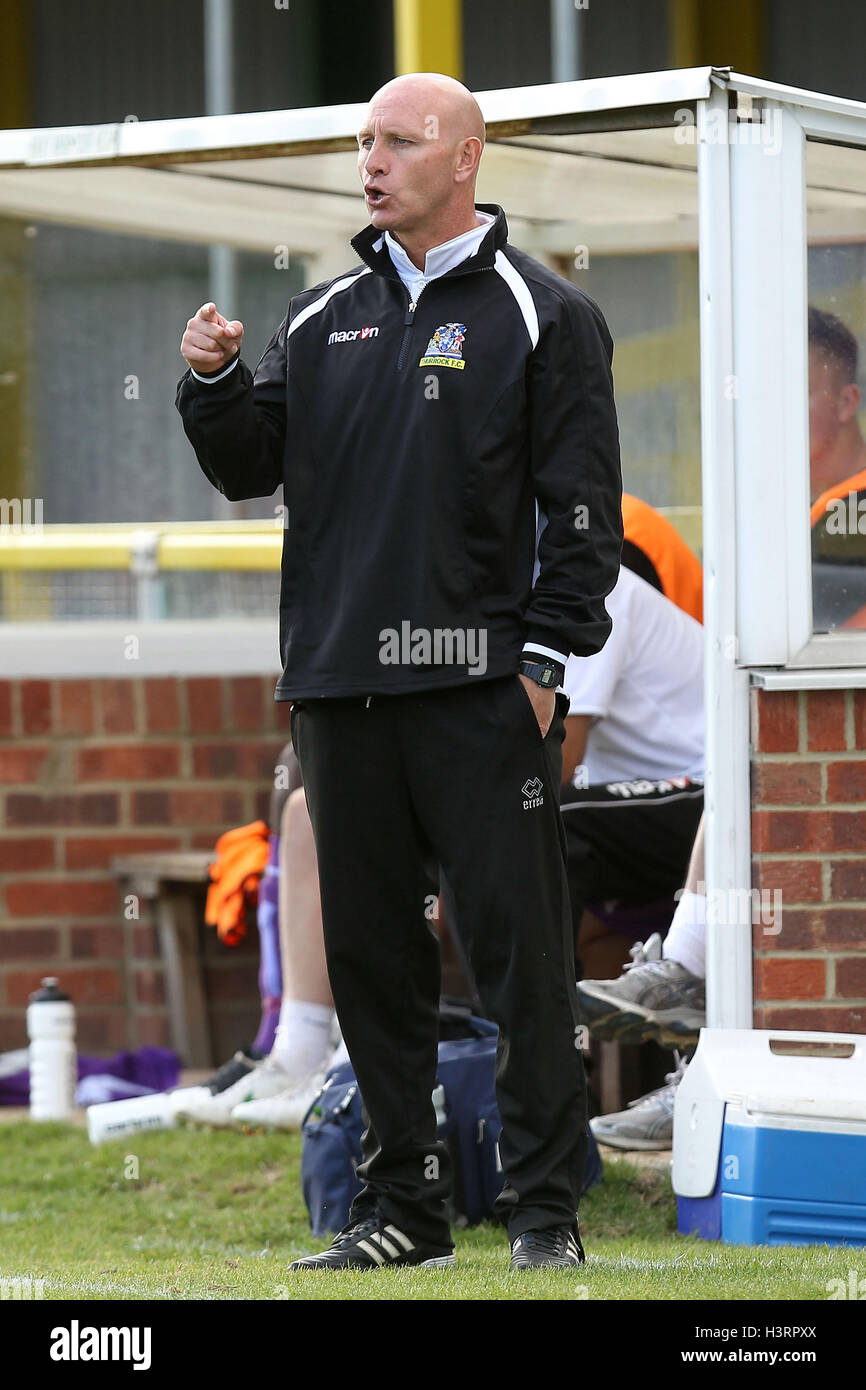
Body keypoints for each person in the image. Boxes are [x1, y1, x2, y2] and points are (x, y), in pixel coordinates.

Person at [176, 71, 622, 1272]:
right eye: (361, 142)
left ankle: (542, 1214)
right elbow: (246, 464)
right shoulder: (321, 317)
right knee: (371, 965)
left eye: (395, 141)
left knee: (520, 953)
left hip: (481, 689)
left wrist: (539, 660)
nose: (369, 162)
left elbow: (583, 510)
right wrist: (213, 382)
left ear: (464, 156)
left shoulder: (544, 312)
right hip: (337, 691)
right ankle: (403, 1214)